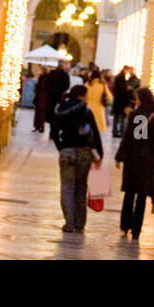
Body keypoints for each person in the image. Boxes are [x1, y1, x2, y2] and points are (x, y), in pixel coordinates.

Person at [51, 83, 104, 233]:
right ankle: (80, 223)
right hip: (84, 153)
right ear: (81, 96)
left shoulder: (61, 109)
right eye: (85, 95)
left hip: (66, 152)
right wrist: (99, 154)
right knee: (81, 187)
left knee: (67, 188)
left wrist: (61, 147)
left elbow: (54, 132)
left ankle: (69, 223)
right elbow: (95, 134)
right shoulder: (87, 111)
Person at [114, 87, 154, 240]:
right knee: (142, 196)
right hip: (149, 162)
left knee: (130, 194)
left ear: (141, 99)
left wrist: (119, 156)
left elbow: (131, 138)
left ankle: (125, 225)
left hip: (134, 160)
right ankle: (136, 230)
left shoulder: (138, 116)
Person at [45, 59, 70, 135]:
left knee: (51, 115)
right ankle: (56, 131)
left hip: (51, 97)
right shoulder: (65, 75)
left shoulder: (51, 73)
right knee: (59, 114)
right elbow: (67, 86)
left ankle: (51, 131)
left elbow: (46, 84)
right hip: (60, 97)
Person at [84, 65, 110, 134]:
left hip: (88, 107)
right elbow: (110, 97)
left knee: (88, 125)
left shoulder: (87, 84)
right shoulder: (103, 85)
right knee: (96, 127)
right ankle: (93, 142)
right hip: (99, 108)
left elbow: (83, 96)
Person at [111, 66, 131, 138]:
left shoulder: (119, 76)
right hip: (121, 101)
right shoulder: (121, 77)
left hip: (118, 100)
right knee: (122, 117)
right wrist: (127, 89)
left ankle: (115, 131)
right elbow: (123, 89)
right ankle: (120, 131)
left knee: (117, 117)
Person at [33, 68, 49, 134]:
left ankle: (40, 126)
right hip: (40, 97)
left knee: (41, 113)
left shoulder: (46, 78)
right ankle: (38, 126)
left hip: (42, 98)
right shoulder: (42, 77)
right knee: (39, 113)